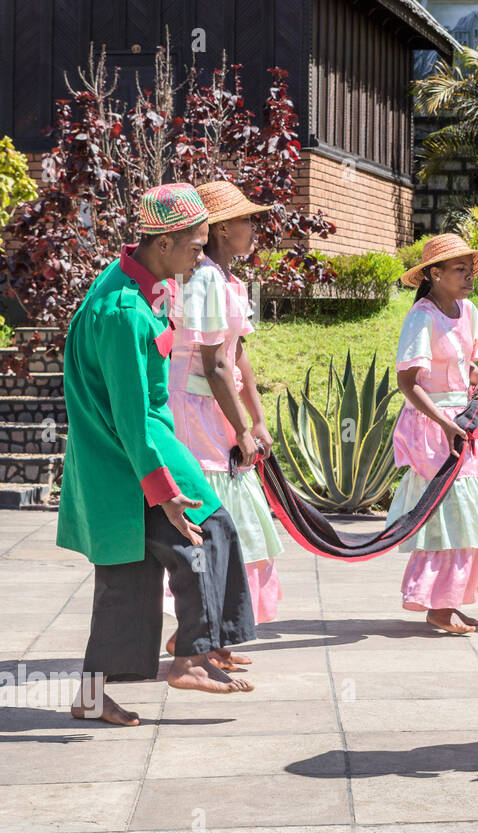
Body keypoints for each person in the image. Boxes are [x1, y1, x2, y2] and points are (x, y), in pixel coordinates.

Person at [58, 183, 257, 727]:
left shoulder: (139, 284)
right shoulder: (122, 309)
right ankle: (189, 655)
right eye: (196, 246)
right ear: (165, 242)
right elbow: (129, 414)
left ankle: (193, 649)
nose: (201, 255)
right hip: (127, 459)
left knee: (186, 545)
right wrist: (166, 494)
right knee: (182, 547)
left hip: (142, 448)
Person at [163, 181, 282, 669]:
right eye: (246, 221)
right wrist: (243, 428)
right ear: (222, 228)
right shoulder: (208, 279)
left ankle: (209, 635)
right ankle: (195, 637)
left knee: (234, 523)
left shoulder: (228, 280)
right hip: (198, 412)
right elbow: (212, 366)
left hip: (219, 410)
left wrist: (256, 419)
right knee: (213, 520)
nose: (254, 229)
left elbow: (238, 357)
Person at [386, 234, 478, 634]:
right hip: (435, 428)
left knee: (468, 516)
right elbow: (408, 382)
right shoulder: (422, 317)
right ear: (434, 273)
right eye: (459, 268)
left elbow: (467, 366)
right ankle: (436, 603)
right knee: (449, 515)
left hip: (463, 424)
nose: (468, 275)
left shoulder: (468, 310)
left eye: (469, 267)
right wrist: (444, 422)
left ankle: (449, 600)